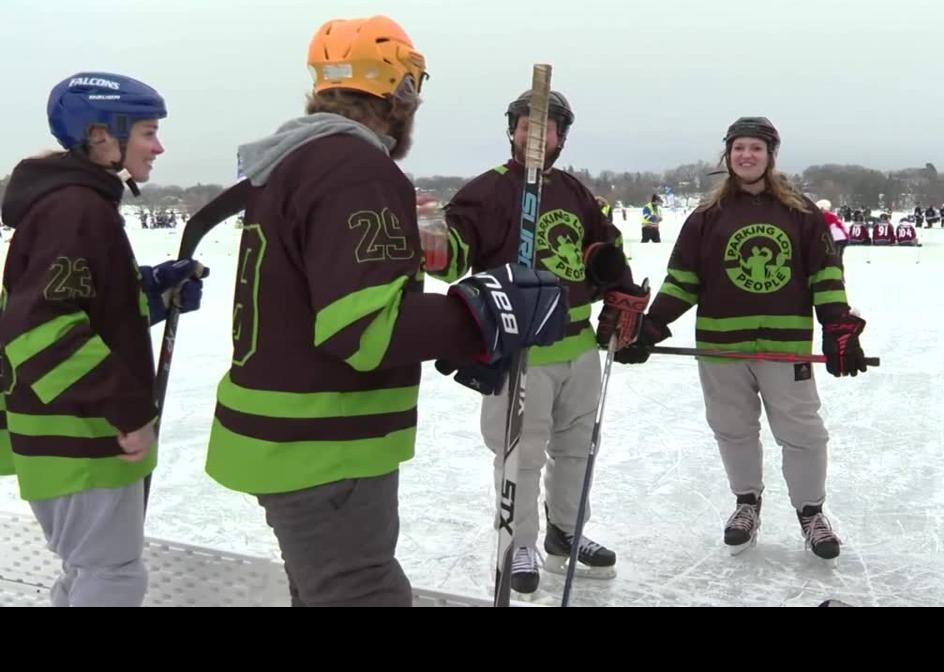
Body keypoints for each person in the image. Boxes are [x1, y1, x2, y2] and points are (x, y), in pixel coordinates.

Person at [205, 15, 568, 607]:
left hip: (289, 439)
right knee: (360, 593)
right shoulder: (353, 168)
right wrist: (480, 314)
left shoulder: (296, 162)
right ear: (401, 91)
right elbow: (364, 331)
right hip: (322, 446)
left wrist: (456, 328)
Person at [0, 72, 209, 606]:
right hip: (80, 433)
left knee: (91, 569)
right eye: (146, 131)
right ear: (99, 136)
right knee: (111, 575)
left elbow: (85, 305)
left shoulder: (75, 204)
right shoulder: (75, 209)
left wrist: (151, 292)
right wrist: (129, 410)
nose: (158, 146)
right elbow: (42, 329)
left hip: (74, 431)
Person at [617, 117, 869, 561]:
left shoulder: (802, 212)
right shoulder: (706, 217)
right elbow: (683, 281)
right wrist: (652, 326)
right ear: (728, 156)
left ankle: (811, 512)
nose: (746, 156)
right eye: (738, 149)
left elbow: (825, 275)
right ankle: (746, 503)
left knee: (804, 432)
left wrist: (838, 326)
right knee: (732, 429)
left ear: (771, 155)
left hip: (784, 346)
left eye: (755, 148)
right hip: (720, 347)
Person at [430, 87, 642, 595]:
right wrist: (434, 244)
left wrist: (620, 289)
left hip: (578, 345)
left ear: (560, 137)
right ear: (513, 130)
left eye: (546, 127)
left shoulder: (575, 191)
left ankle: (566, 534)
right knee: (520, 452)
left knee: (577, 449)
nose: (535, 134)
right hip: (519, 349)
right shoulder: (486, 190)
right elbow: (455, 251)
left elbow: (604, 250)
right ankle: (519, 542)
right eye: (527, 125)